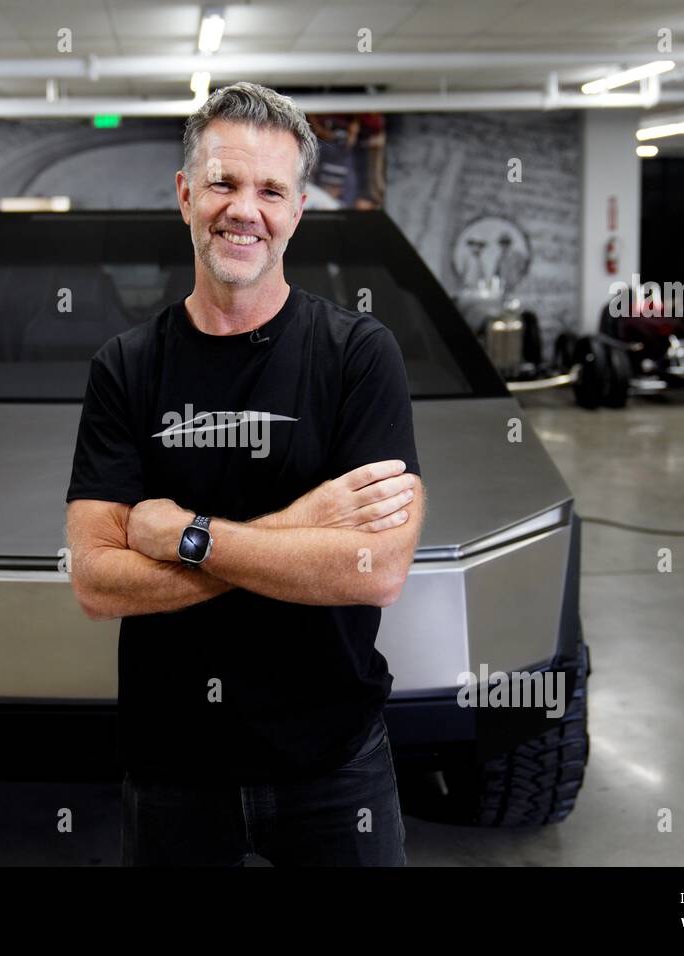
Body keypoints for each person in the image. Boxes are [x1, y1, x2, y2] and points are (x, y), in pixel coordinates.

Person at [64, 81, 425, 866]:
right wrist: (303, 529)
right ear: (186, 195)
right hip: (174, 766)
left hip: (334, 760)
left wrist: (182, 538)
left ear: (298, 210)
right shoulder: (125, 369)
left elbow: (378, 568)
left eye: (270, 190)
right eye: (224, 183)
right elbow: (96, 581)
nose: (244, 209)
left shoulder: (359, 357)